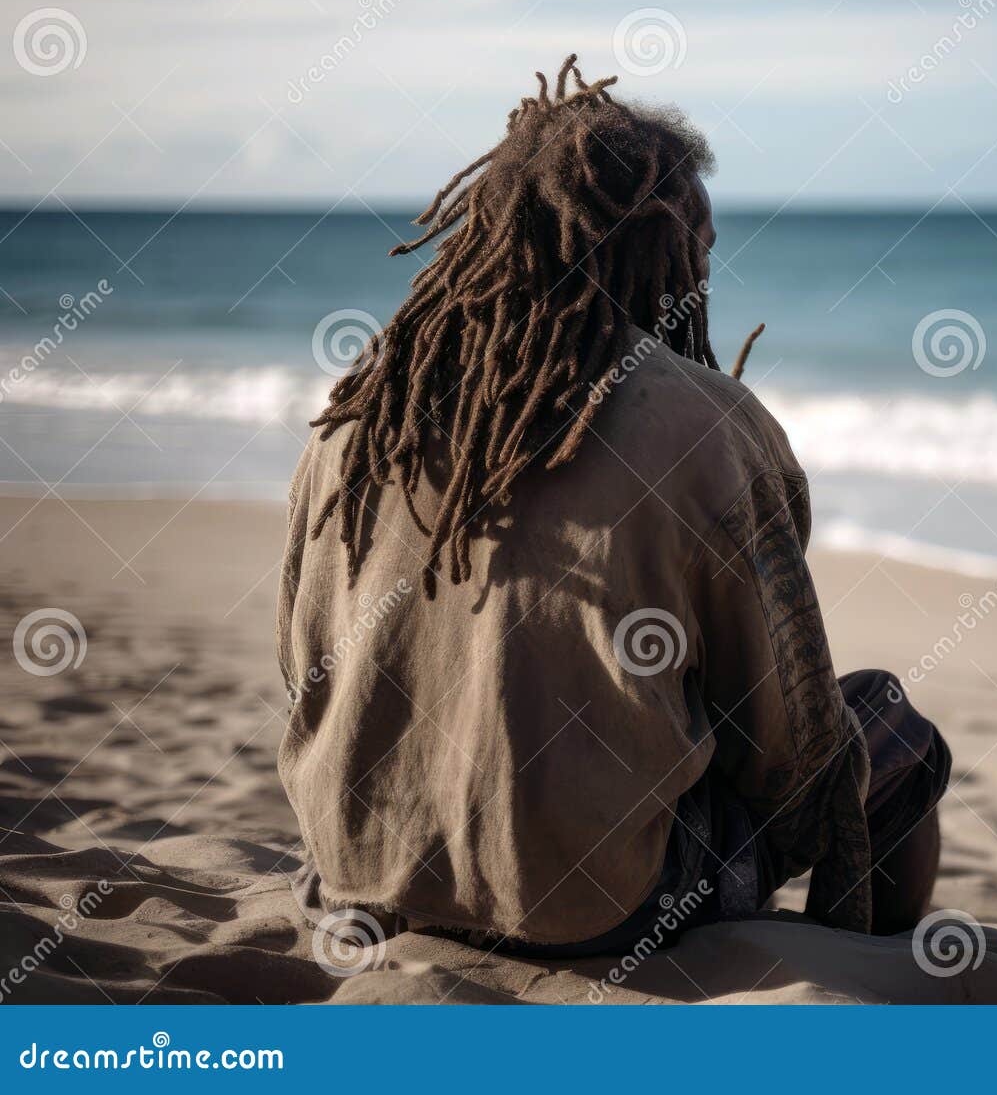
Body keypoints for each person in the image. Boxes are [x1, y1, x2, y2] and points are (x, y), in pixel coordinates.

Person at [276, 56, 950, 957]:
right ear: (668, 249)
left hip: (352, 878)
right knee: (893, 728)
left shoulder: (359, 413)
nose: (704, 278)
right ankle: (865, 973)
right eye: (699, 250)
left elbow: (304, 670)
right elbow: (789, 748)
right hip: (589, 911)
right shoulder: (709, 427)